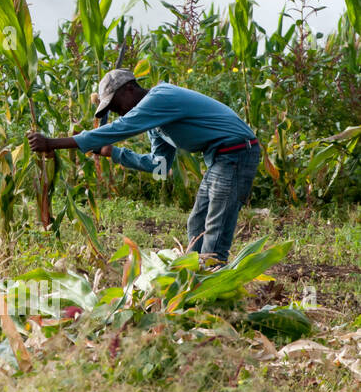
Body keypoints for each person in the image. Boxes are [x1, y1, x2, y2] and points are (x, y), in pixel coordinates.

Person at [27, 69, 260, 264]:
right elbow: (160, 167)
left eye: (116, 105)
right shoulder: (156, 124)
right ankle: (196, 278)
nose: (118, 112)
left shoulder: (160, 97)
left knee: (215, 231)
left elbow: (121, 127)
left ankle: (214, 290)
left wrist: (53, 143)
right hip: (220, 159)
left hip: (236, 153)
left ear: (129, 89)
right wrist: (114, 153)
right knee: (196, 224)